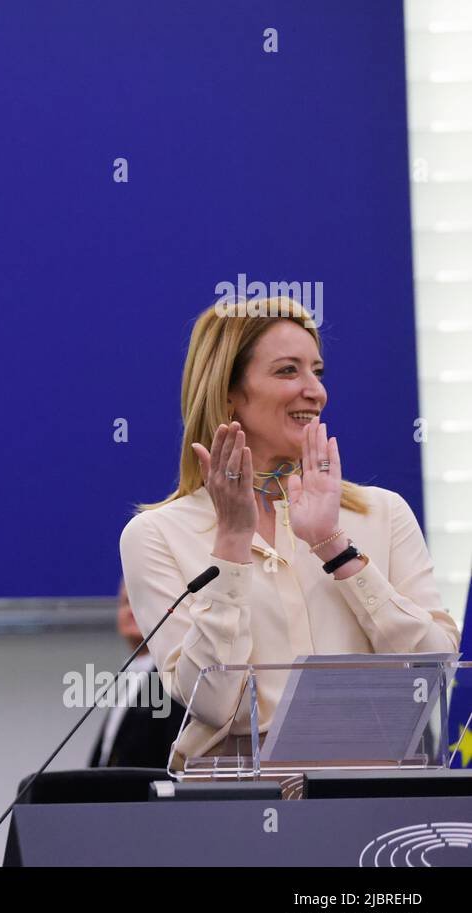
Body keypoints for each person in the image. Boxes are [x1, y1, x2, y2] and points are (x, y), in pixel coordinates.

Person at [119, 297, 459, 765]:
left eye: (317, 372)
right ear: (228, 393)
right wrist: (232, 543)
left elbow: (434, 666)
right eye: (287, 371)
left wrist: (334, 547)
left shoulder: (383, 513)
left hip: (375, 790)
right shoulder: (155, 534)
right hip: (238, 796)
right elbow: (213, 702)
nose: (315, 391)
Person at [88, 581, 184, 769]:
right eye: (126, 602)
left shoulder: (174, 679)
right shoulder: (129, 675)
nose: (131, 610)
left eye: (140, 602)